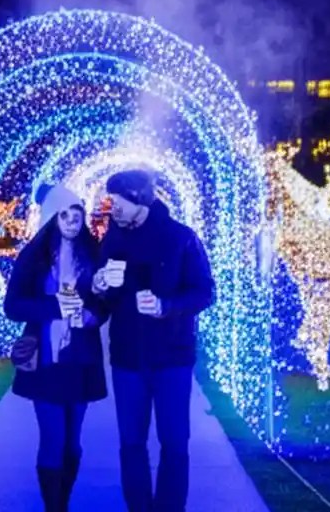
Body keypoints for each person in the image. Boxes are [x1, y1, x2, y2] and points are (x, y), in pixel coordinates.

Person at [92, 169, 214, 512]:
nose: (111, 207)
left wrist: (166, 306)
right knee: (131, 444)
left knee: (174, 444)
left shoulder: (181, 238)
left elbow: (205, 292)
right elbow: (105, 302)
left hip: (172, 359)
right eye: (110, 200)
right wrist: (100, 286)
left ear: (140, 198)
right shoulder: (113, 240)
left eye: (118, 201)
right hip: (127, 359)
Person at [4, 184, 108, 512]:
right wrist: (54, 308)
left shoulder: (93, 255)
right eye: (64, 214)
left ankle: (64, 498)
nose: (72, 221)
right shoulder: (33, 259)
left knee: (73, 444)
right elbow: (13, 307)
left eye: (76, 215)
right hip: (46, 361)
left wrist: (92, 315)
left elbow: (103, 305)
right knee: (53, 439)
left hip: (81, 360)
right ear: (52, 218)